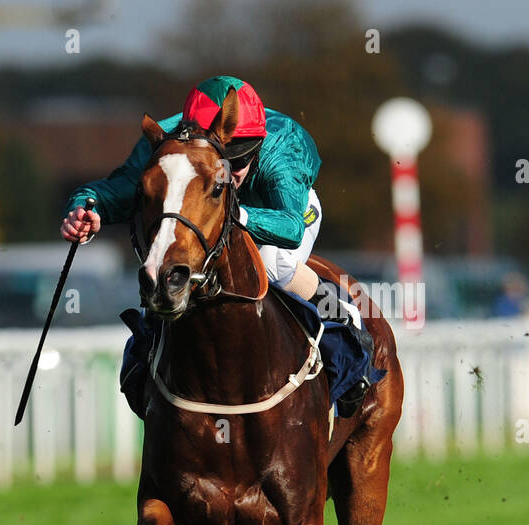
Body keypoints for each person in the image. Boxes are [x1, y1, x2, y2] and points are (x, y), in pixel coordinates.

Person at [61, 75, 377, 418]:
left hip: (284, 213)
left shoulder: (283, 145)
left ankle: (340, 317)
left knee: (271, 261)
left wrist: (233, 211)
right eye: (225, 159)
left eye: (240, 159)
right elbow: (118, 190)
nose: (233, 170)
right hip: (204, 216)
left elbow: (289, 228)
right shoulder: (166, 140)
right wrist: (87, 208)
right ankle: (146, 358)